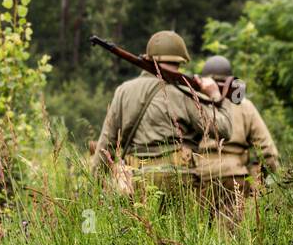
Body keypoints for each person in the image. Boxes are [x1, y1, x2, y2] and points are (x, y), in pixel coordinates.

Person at [90, 30, 230, 196]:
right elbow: (223, 129)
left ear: (148, 58)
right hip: (178, 179)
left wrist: (94, 188)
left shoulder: (123, 91)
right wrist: (216, 95)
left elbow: (106, 143)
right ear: (181, 61)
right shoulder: (186, 93)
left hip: (135, 181)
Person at [195, 54, 280, 222]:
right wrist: (256, 181)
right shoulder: (244, 105)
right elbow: (269, 153)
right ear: (231, 81)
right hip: (235, 177)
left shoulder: (193, 101)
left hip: (200, 176)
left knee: (197, 238)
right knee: (230, 240)